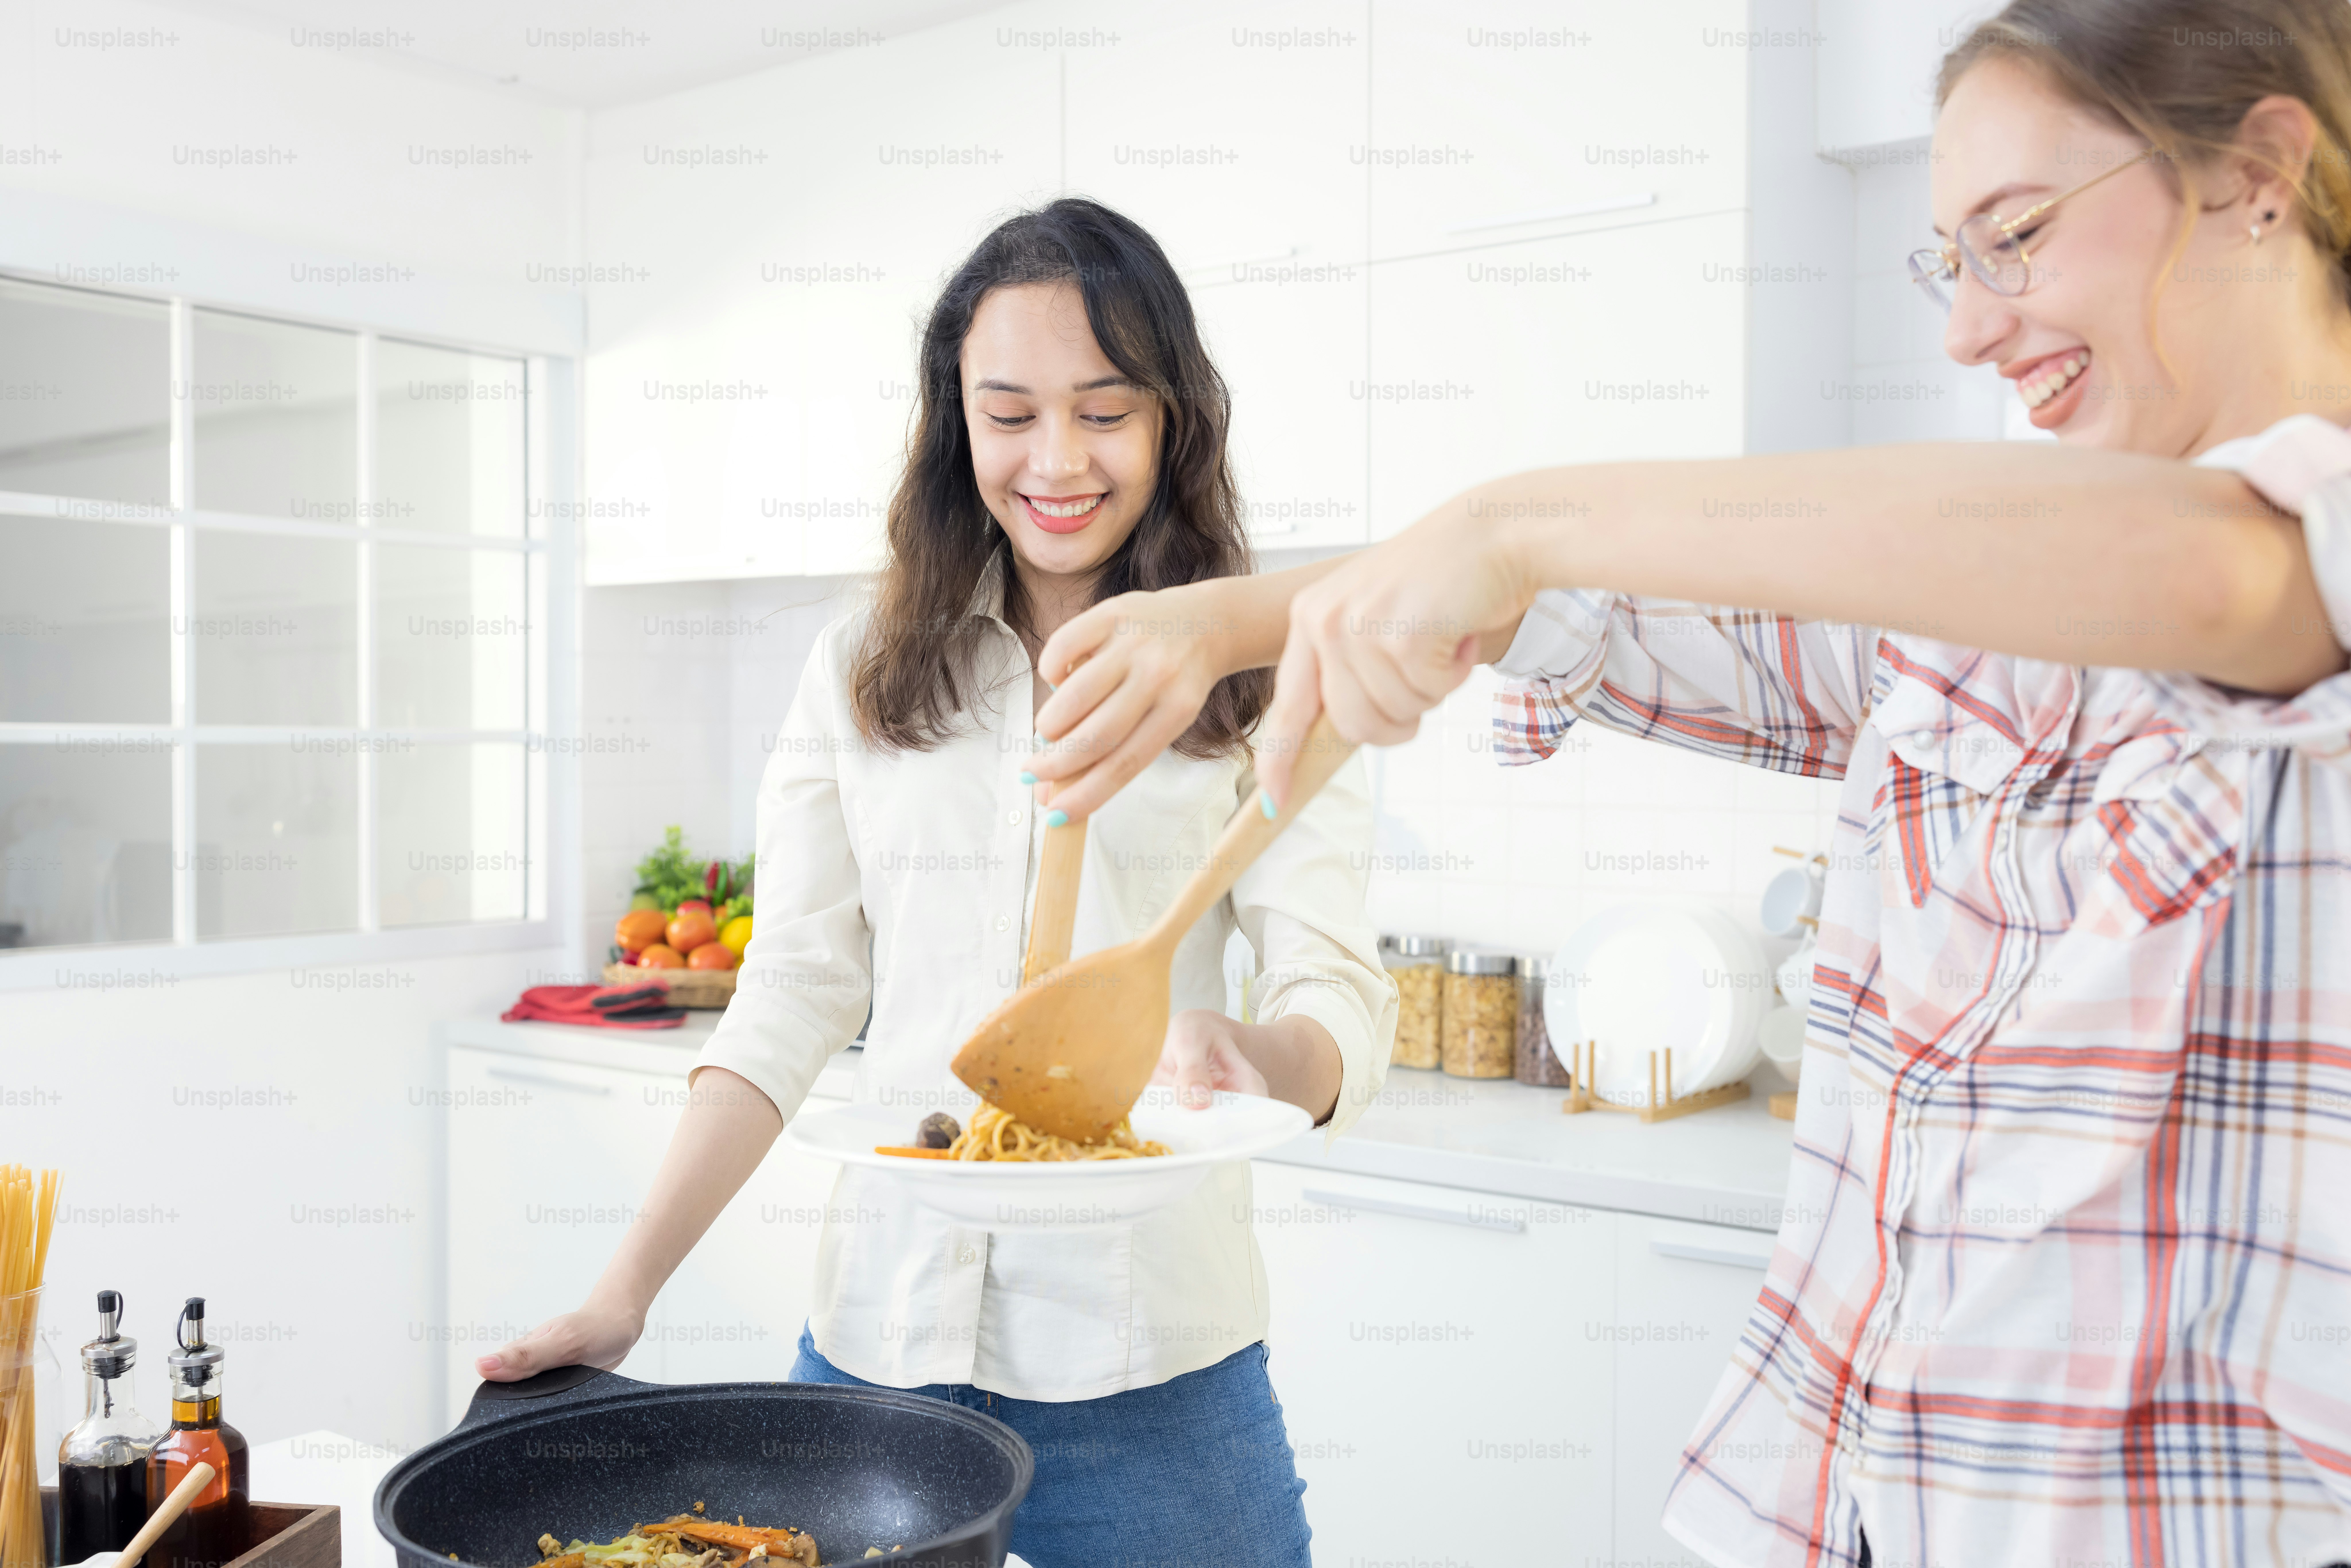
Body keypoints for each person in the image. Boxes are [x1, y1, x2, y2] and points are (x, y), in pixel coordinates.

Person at [1021, 3, 2351, 1564]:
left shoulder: (2245, 551)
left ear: (2264, 173)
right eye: (1954, 259)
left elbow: (2227, 570)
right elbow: (1622, 620)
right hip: (1870, 1506)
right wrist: (1228, 618)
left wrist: (1519, 513)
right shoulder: (1993, 615)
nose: (1971, 328)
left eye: (2018, 237)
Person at [479, 199, 1396, 1568]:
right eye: (1009, 412)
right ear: (954, 421)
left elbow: (1339, 991)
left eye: (1104, 410)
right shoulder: (860, 661)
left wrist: (1254, 1048)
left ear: (1172, 422)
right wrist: (625, 1292)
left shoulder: (1265, 661)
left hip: (1154, 1365)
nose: (1056, 460)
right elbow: (792, 990)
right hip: (877, 1346)